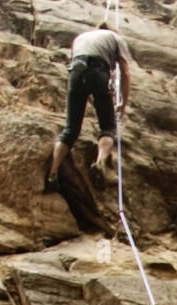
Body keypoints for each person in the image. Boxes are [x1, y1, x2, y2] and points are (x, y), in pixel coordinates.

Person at [45, 22, 130, 192]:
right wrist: (123, 104)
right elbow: (125, 72)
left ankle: (52, 173)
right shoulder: (115, 37)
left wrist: (90, 97)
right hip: (99, 71)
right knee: (108, 127)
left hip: (76, 74)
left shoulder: (80, 38)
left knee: (70, 130)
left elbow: (80, 70)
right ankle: (99, 163)